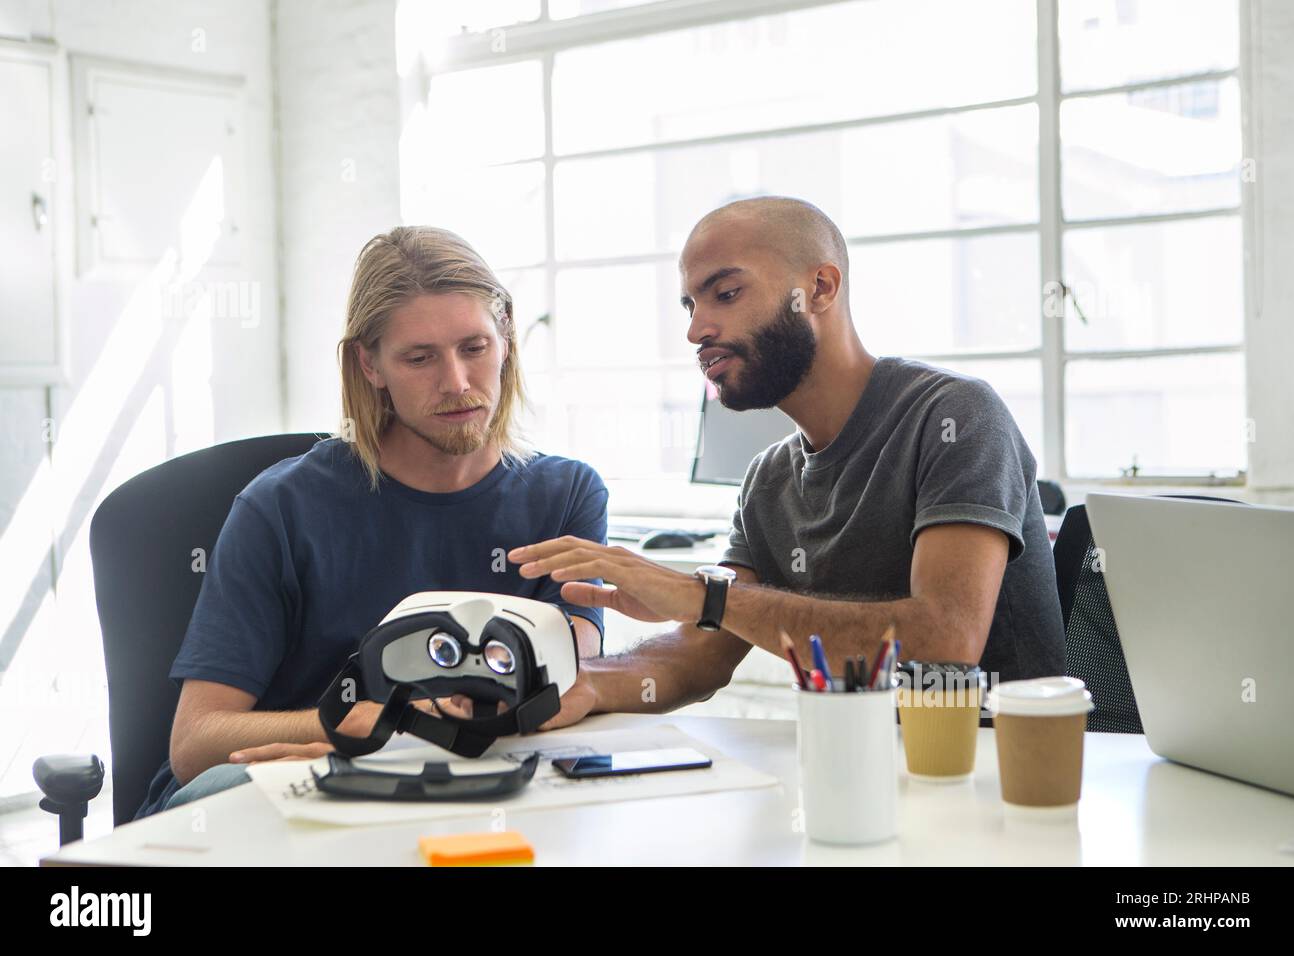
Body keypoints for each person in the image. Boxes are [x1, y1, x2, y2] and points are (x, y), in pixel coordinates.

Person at [509, 196, 1065, 727]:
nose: (696, 329)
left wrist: (706, 596)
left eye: (725, 293)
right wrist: (576, 684)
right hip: (853, 780)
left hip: (992, 781)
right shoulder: (768, 479)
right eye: (690, 304)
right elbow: (703, 651)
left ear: (819, 288)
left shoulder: (954, 417)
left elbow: (944, 642)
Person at [135, 226, 607, 817]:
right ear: (369, 363)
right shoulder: (280, 508)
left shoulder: (566, 495)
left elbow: (572, 669)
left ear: (506, 336)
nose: (457, 383)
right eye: (419, 358)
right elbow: (194, 745)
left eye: (474, 347)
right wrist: (356, 723)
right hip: (287, 790)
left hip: (458, 791)